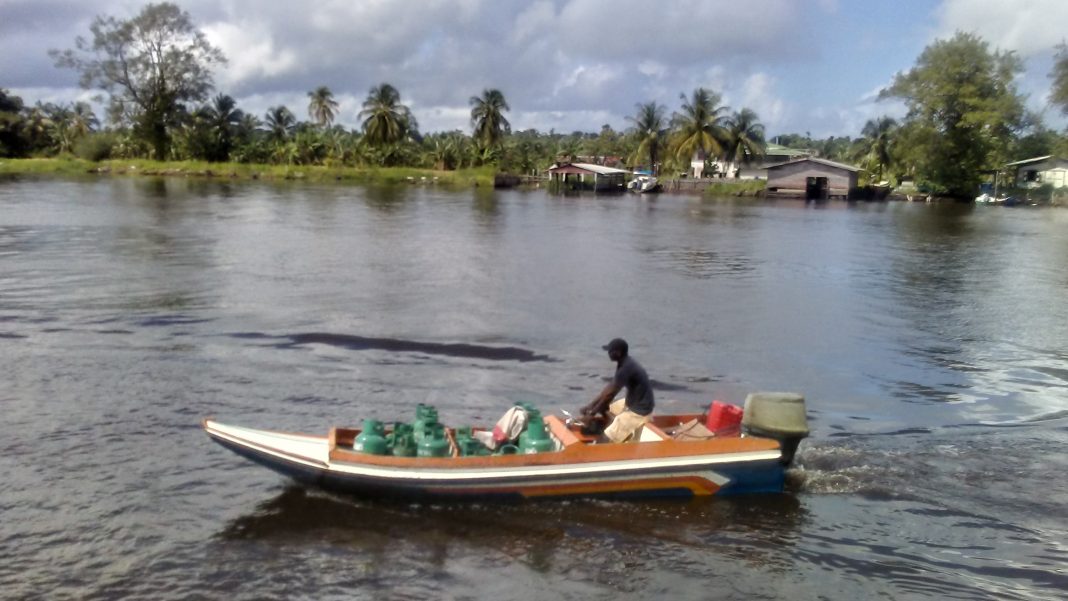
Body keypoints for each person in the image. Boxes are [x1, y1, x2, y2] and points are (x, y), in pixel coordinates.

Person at [582, 338, 655, 442]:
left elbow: (610, 395)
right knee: (605, 408)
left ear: (618, 353)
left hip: (639, 411)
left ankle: (609, 437)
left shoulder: (626, 368)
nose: (608, 354)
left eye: (610, 351)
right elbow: (608, 389)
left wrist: (591, 414)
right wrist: (590, 406)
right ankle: (617, 431)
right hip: (633, 402)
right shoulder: (624, 363)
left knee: (604, 439)